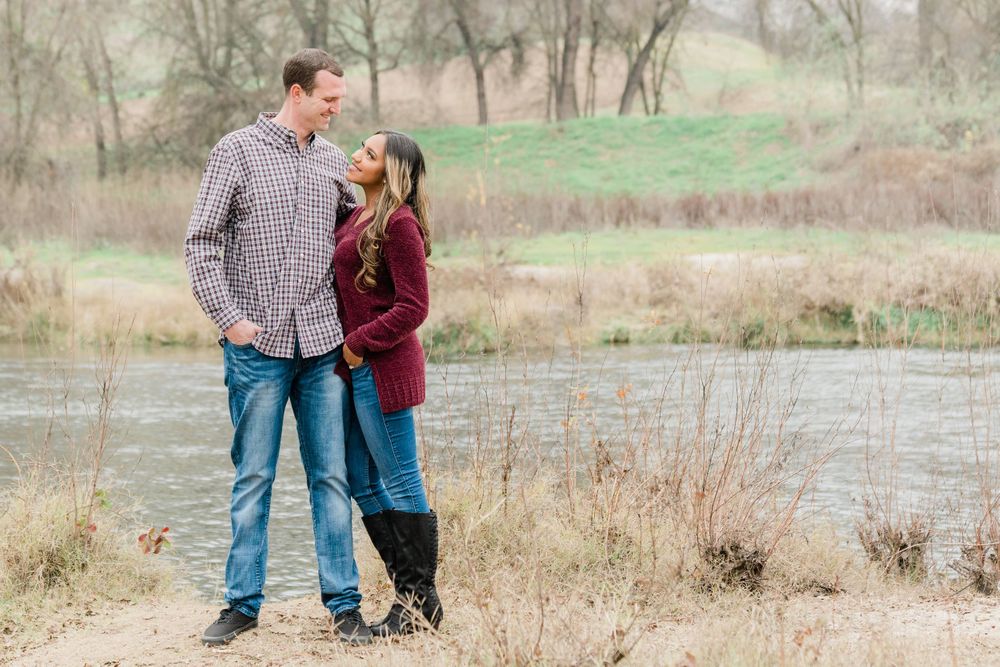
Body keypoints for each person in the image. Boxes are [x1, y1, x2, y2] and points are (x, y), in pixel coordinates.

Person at [184, 48, 376, 646]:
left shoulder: (333, 164)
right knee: (254, 478)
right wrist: (230, 319)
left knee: (331, 478)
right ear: (297, 94)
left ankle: (345, 607)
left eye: (340, 100)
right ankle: (241, 605)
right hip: (256, 347)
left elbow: (357, 239)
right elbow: (199, 243)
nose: (337, 109)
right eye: (329, 99)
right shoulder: (235, 151)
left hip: (323, 347)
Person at [334, 130, 443, 636]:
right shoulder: (357, 216)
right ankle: (407, 588)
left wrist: (358, 342)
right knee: (360, 477)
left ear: (390, 171)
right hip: (358, 371)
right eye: (361, 147)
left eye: (369, 154)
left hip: (383, 369)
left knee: (400, 478)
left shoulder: (399, 224)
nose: (357, 156)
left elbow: (413, 307)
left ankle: (420, 604)